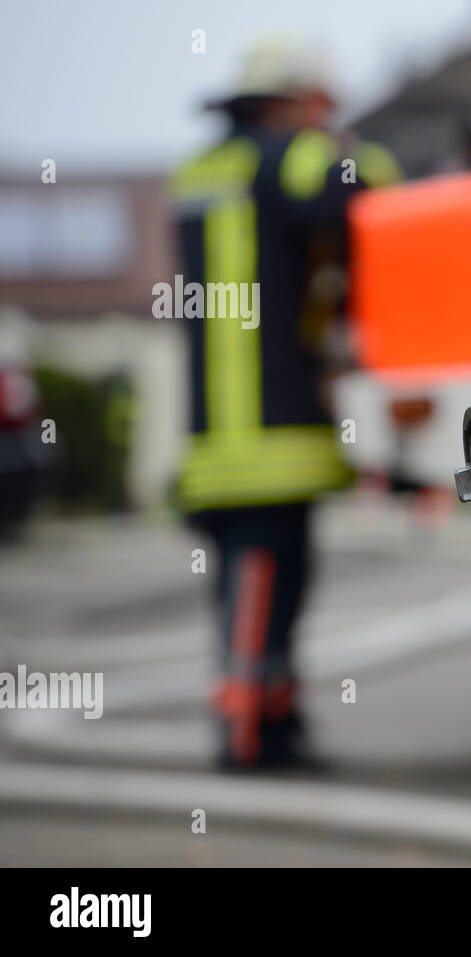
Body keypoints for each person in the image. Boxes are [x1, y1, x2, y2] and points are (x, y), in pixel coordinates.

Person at [170, 38, 401, 768]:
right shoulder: (289, 159)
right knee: (268, 578)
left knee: (262, 583)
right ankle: (248, 734)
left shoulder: (201, 174)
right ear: (294, 102)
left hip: (216, 432)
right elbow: (369, 187)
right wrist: (347, 145)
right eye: (320, 109)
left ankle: (274, 719)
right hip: (270, 433)